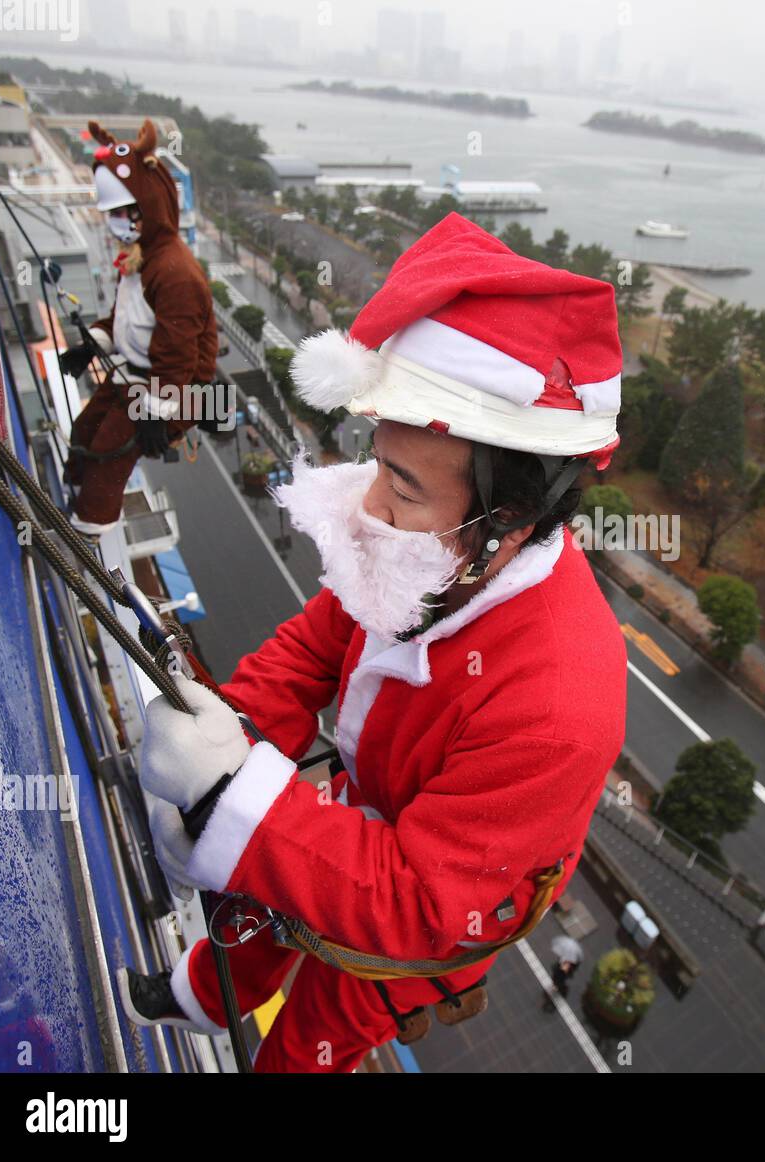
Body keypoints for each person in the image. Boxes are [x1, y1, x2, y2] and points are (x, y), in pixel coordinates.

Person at [115, 213, 628, 1072]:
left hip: (438, 907)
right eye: (377, 466)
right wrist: (224, 731)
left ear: (508, 517)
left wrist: (239, 797)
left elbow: (423, 903)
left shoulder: (561, 704)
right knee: (257, 906)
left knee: (319, 1027)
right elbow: (315, 648)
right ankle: (203, 995)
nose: (370, 512)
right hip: (368, 811)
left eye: (400, 487)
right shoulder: (434, 558)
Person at [61, 118, 218, 535]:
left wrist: (156, 415)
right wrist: (91, 343)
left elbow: (179, 356)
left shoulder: (174, 272)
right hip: (137, 378)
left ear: (146, 207)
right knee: (85, 429)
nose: (116, 220)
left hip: (173, 391)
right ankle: (72, 496)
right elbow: (124, 319)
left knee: (107, 451)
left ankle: (88, 530)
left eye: (124, 211)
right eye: (112, 212)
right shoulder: (139, 259)